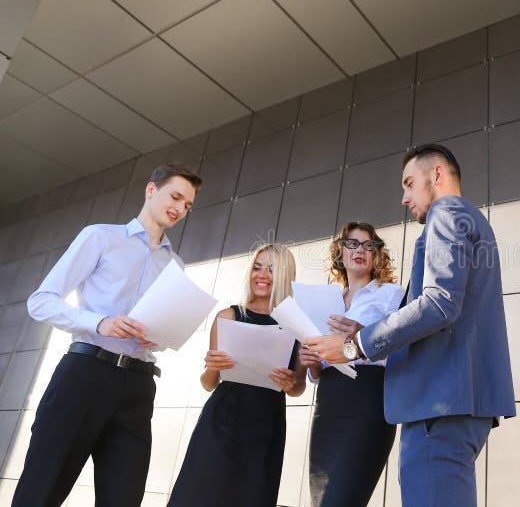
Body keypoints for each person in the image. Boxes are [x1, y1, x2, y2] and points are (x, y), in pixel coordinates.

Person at [305, 144, 516, 507]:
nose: (404, 198)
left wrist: (354, 345)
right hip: (459, 406)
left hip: (438, 405)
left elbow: (439, 302)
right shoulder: (474, 221)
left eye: (408, 183)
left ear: (436, 174)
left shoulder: (446, 212)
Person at [13, 163, 202, 507]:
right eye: (175, 196)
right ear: (150, 190)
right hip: (85, 376)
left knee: (124, 497)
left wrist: (156, 337)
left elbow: (163, 331)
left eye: (187, 205)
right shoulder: (100, 236)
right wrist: (99, 322)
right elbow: (41, 302)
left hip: (139, 387)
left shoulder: (175, 265)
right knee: (42, 487)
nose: (180, 208)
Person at [169, 243, 306, 507]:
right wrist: (212, 367)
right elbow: (208, 383)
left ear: (285, 276)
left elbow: (298, 386)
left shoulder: (296, 326)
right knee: (199, 494)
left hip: (267, 426)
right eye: (257, 267)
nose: (262, 275)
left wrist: (291, 383)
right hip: (221, 422)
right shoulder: (228, 316)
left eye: (271, 269)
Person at [299, 222, 403, 507]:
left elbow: (402, 350)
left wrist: (363, 336)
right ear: (340, 253)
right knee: (320, 500)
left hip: (368, 403)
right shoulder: (325, 299)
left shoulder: (392, 294)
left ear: (377, 255)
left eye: (369, 246)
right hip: (328, 405)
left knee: (344, 499)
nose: (360, 251)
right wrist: (312, 363)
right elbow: (320, 367)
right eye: (352, 244)